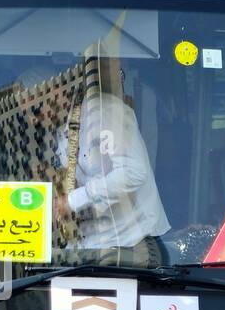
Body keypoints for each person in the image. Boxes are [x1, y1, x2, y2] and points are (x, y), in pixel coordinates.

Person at [51, 56, 171, 263]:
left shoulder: (104, 111)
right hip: (92, 246)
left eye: (34, 107)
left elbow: (133, 172)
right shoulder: (60, 130)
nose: (32, 118)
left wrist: (72, 201)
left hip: (131, 246)